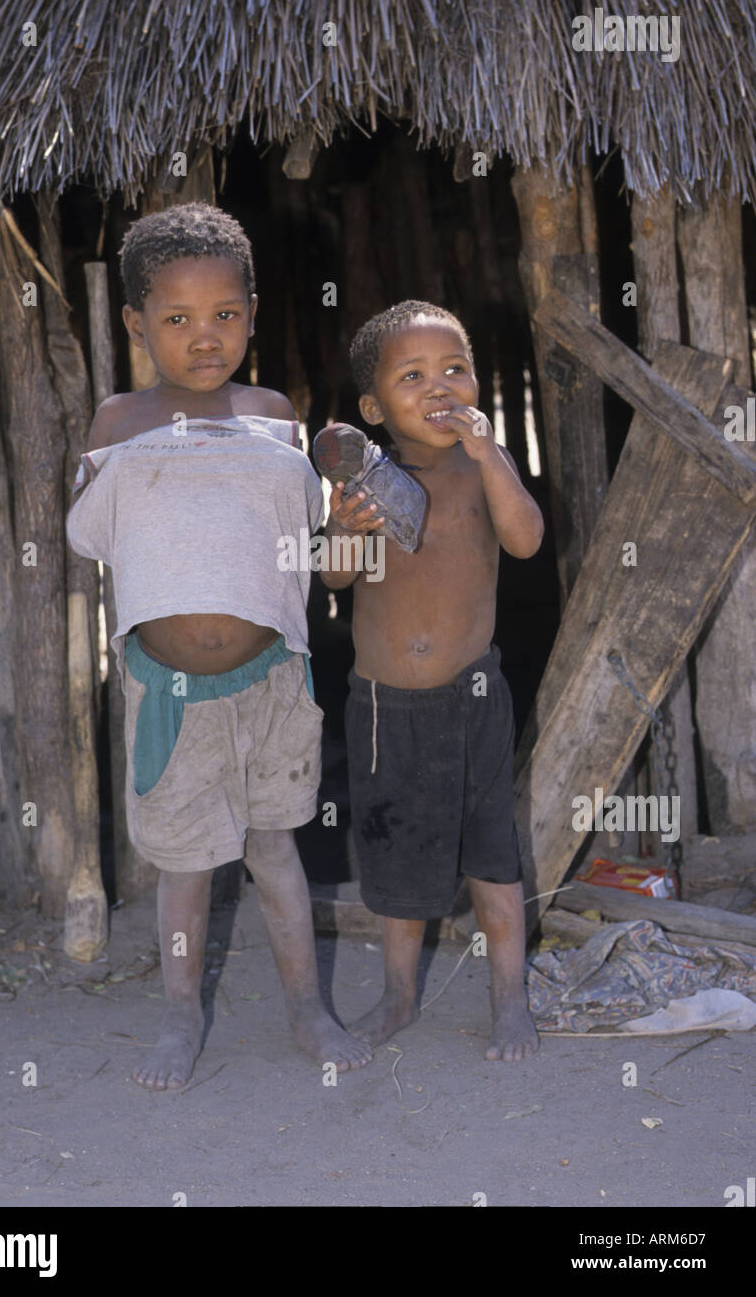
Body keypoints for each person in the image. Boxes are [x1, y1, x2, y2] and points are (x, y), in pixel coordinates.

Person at [66, 202, 372, 1088]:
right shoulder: (118, 424)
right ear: (136, 322)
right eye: (177, 319)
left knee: (276, 852)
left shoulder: (275, 418)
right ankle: (178, 1015)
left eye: (226, 315)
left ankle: (307, 1007)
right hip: (168, 696)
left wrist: (348, 527)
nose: (206, 337)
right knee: (186, 866)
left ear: (251, 312)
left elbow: (322, 563)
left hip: (272, 683)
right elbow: (98, 540)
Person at [317, 300, 544, 1061]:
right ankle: (400, 995)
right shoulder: (370, 485)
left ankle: (509, 1000)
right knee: (397, 860)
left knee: (493, 856)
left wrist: (491, 459)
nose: (440, 385)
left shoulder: (484, 470)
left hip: (473, 700)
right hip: (384, 709)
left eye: (455, 369)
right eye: (413, 376)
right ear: (375, 408)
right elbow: (333, 578)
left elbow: (527, 539)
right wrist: (345, 528)